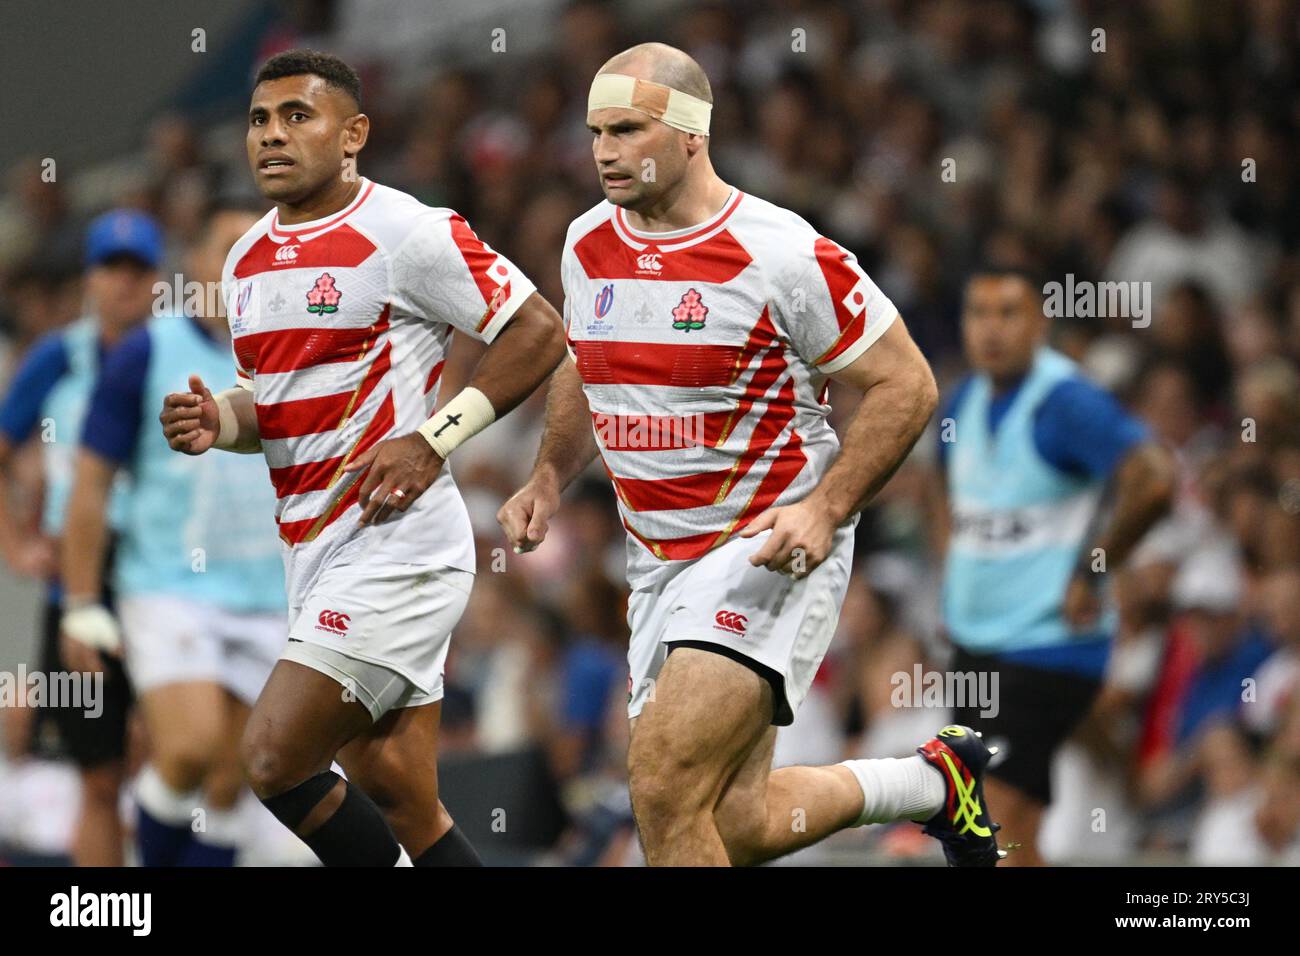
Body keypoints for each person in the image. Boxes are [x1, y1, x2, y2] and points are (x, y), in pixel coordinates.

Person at [499, 43, 1002, 867]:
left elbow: (906, 384)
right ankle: (933, 786)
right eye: (595, 132)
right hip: (655, 564)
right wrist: (550, 475)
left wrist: (825, 507)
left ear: (692, 134)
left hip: (764, 547)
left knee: (659, 785)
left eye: (627, 129)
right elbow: (585, 363)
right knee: (736, 824)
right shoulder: (587, 242)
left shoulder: (780, 251)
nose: (603, 152)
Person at [159, 50, 566, 866]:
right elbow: (270, 411)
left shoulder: (407, 232)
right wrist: (222, 420)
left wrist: (433, 440)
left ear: (354, 135)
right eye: (259, 119)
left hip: (398, 549)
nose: (272, 135)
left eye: (297, 116)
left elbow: (540, 331)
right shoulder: (244, 261)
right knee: (403, 799)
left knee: (273, 758)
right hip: (311, 554)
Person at [60, 203, 288, 866]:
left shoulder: (287, 354)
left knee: (232, 776)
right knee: (188, 750)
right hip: (168, 585)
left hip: (270, 593)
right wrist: (80, 604)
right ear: (194, 263)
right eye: (227, 248)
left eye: (258, 249)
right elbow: (90, 482)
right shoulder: (147, 350)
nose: (244, 263)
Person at [936, 266, 1176, 865]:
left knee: (998, 815)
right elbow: (942, 492)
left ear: (1041, 322)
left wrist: (1094, 568)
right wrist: (955, 576)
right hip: (977, 643)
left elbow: (1155, 479)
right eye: (978, 313)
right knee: (990, 825)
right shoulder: (965, 398)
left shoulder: (1065, 401)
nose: (991, 329)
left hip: (1046, 644)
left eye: (1009, 313)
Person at [0, 209, 159, 865]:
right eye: (110, 268)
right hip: (80, 580)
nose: (123, 283)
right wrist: (13, 544)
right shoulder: (57, 359)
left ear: (156, 280)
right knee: (97, 775)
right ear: (91, 279)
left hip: (164, 571)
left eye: (137, 269)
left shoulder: (178, 353)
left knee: (176, 754)